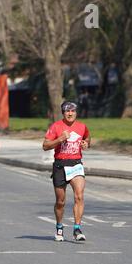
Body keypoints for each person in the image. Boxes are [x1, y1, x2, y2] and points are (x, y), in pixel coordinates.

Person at [42, 101, 91, 242]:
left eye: (73, 111)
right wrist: (60, 139)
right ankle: (59, 226)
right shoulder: (56, 126)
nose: (70, 113)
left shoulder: (82, 127)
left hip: (76, 164)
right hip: (60, 166)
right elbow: (45, 146)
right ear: (63, 113)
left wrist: (86, 143)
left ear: (76, 112)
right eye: (67, 111)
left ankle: (77, 228)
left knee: (79, 196)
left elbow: (87, 137)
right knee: (60, 202)